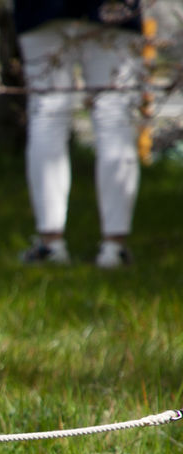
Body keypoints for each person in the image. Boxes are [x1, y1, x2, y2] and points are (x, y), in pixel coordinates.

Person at [14, 0, 144, 268]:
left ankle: (51, 244)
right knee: (114, 115)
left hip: (42, 10)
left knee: (47, 114)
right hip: (111, 7)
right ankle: (114, 248)